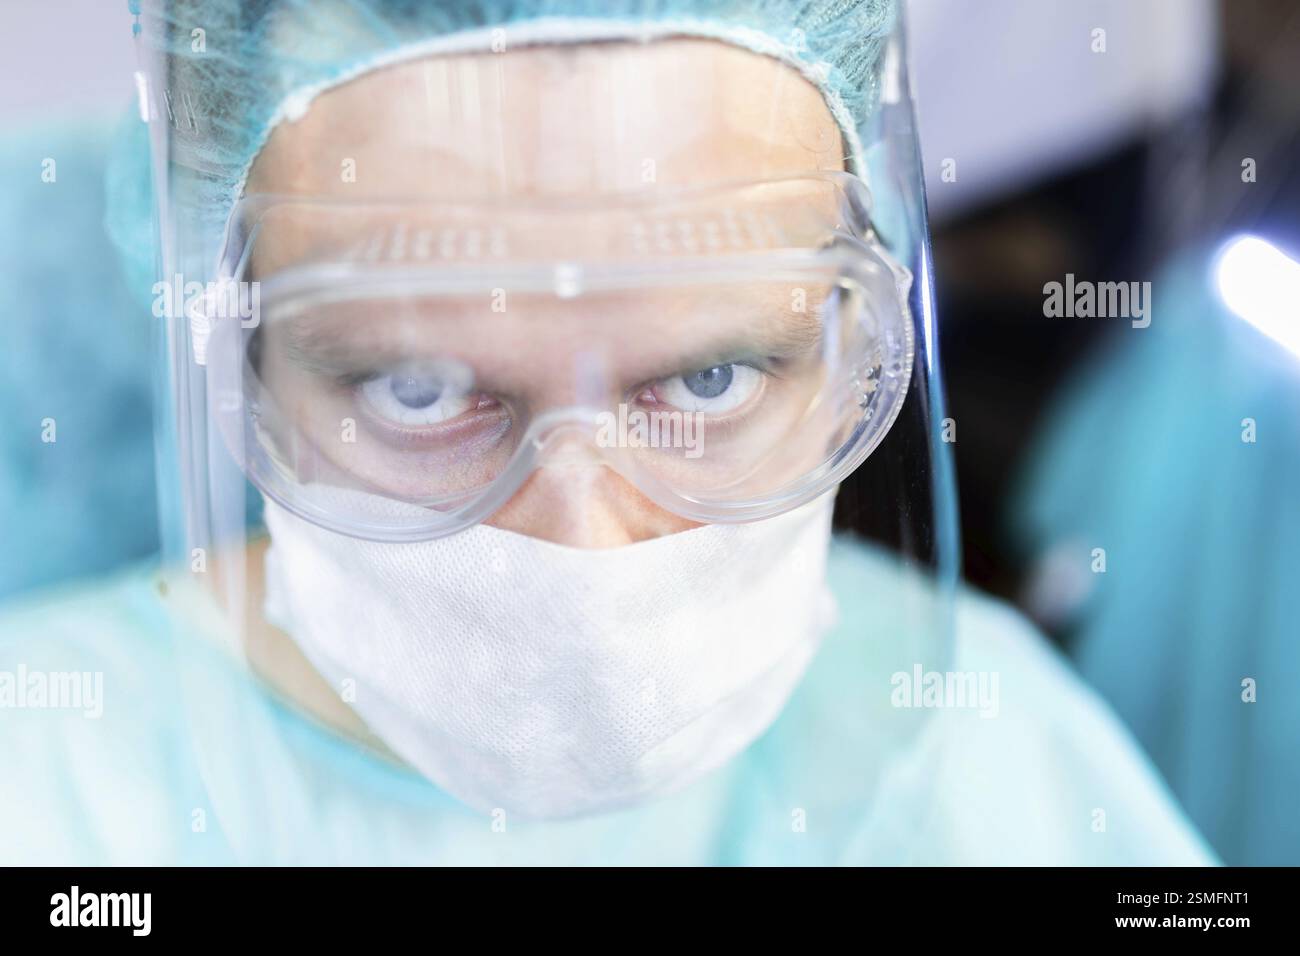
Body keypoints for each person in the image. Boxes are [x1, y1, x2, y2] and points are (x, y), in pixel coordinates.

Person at [0, 0, 1213, 865]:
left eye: (710, 379)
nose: (585, 550)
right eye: (417, 391)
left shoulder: (980, 741)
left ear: (854, 333)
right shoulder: (48, 788)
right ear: (240, 354)